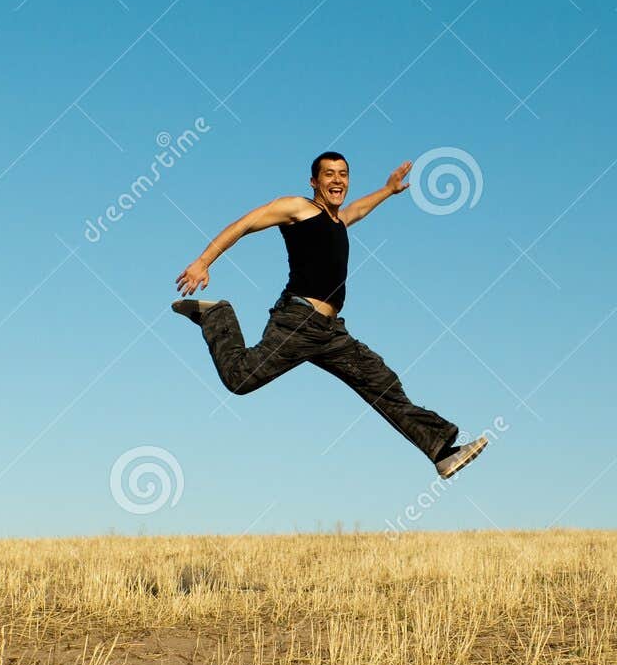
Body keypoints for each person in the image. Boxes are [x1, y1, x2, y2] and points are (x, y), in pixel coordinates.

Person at [172, 151, 487, 479]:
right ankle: (217, 316)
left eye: (343, 174)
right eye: (329, 174)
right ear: (314, 181)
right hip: (297, 322)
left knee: (381, 381)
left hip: (330, 332)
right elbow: (245, 224)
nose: (337, 180)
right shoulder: (297, 207)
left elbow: (357, 210)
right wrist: (204, 261)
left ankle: (441, 452)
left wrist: (387, 190)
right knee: (240, 379)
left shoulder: (338, 221)